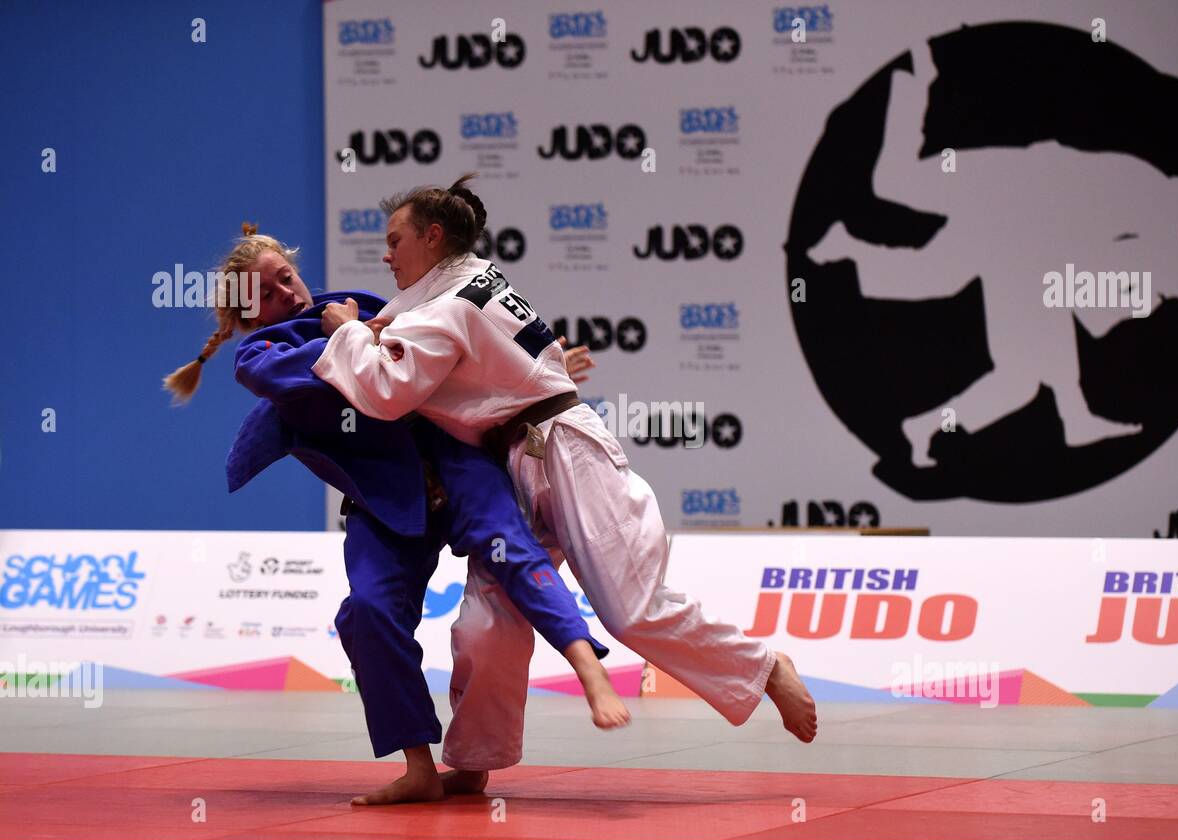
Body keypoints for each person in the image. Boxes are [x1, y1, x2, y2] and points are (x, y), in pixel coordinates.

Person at [312, 174, 819, 761]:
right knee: (486, 621)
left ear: (432, 237)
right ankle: (476, 759)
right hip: (513, 461)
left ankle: (765, 667)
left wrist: (346, 333)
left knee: (631, 610)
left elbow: (386, 392)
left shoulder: (449, 307)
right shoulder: (465, 286)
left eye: (396, 240)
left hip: (567, 450)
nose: (386, 254)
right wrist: (374, 330)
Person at [163, 226, 627, 805]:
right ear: (247, 312)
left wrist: (535, 368)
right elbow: (295, 377)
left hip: (453, 464)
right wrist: (354, 336)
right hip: (384, 503)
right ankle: (419, 767)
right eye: (268, 292)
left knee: (513, 549)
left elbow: (460, 339)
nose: (287, 292)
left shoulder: (360, 307)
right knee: (367, 612)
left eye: (287, 276)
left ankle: (587, 666)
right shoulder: (258, 355)